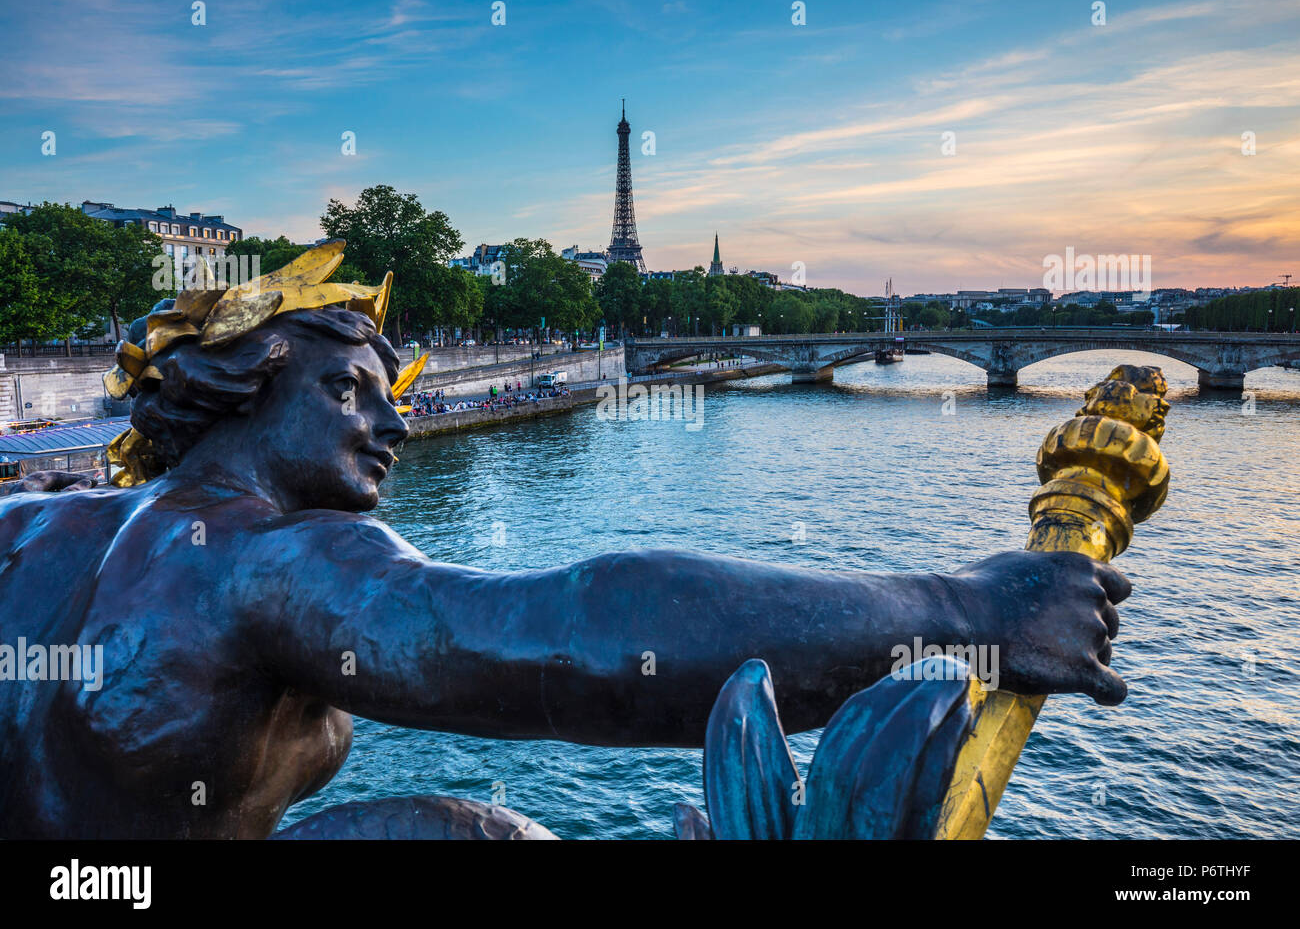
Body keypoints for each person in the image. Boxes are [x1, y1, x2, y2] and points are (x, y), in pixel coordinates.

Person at [0, 249, 1130, 839]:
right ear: (244, 391)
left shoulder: (33, 526)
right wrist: (971, 606)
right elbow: (575, 630)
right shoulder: (267, 561)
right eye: (351, 389)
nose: (391, 420)